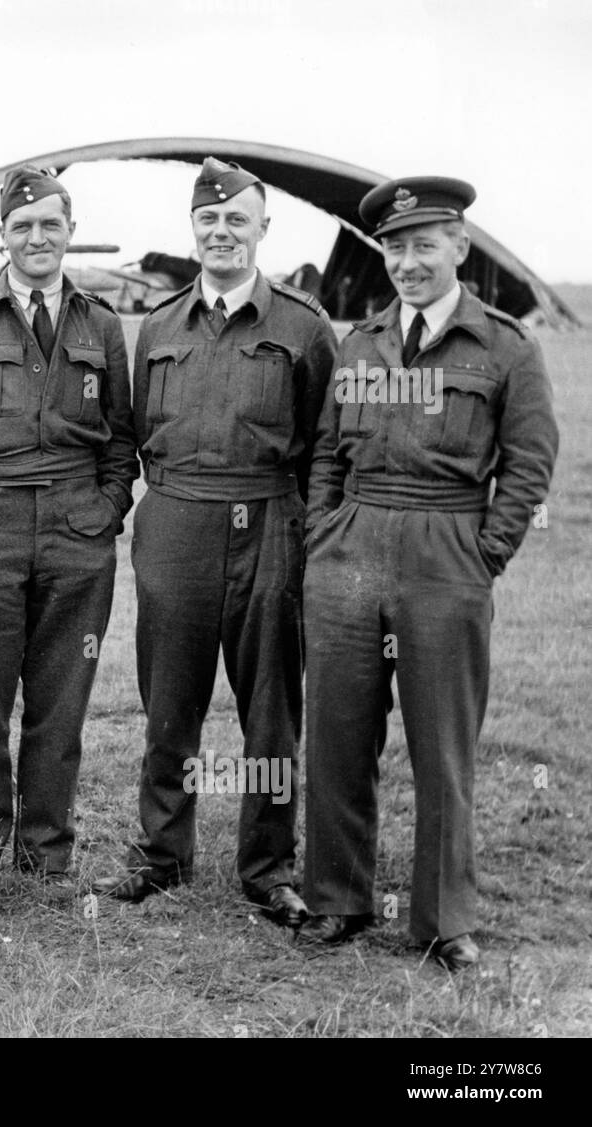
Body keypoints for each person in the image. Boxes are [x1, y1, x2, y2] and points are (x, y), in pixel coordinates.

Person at [298, 177, 558, 970]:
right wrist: (324, 533)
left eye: (424, 245)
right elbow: (325, 452)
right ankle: (337, 899)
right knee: (339, 732)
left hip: (447, 550)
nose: (408, 262)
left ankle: (444, 920)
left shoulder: (506, 346)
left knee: (442, 743)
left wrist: (484, 554)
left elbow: (529, 462)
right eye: (394, 247)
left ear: (460, 248)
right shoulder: (362, 341)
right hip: (352, 546)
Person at [92, 158, 337, 926]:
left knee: (271, 708)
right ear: (192, 230)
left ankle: (268, 866)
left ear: (263, 229)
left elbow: (322, 445)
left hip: (268, 523)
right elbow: (132, 432)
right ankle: (162, 853)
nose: (222, 232)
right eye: (209, 220)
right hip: (174, 524)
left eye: (238, 220)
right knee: (169, 700)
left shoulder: (304, 326)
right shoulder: (159, 326)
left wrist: (303, 528)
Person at [0, 166, 138, 894]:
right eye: (22, 227)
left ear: (69, 231)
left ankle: (47, 856)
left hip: (77, 527)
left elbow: (121, 439)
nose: (36, 238)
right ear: (1, 235)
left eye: (50, 225)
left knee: (61, 700)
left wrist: (104, 512)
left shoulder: (100, 321)